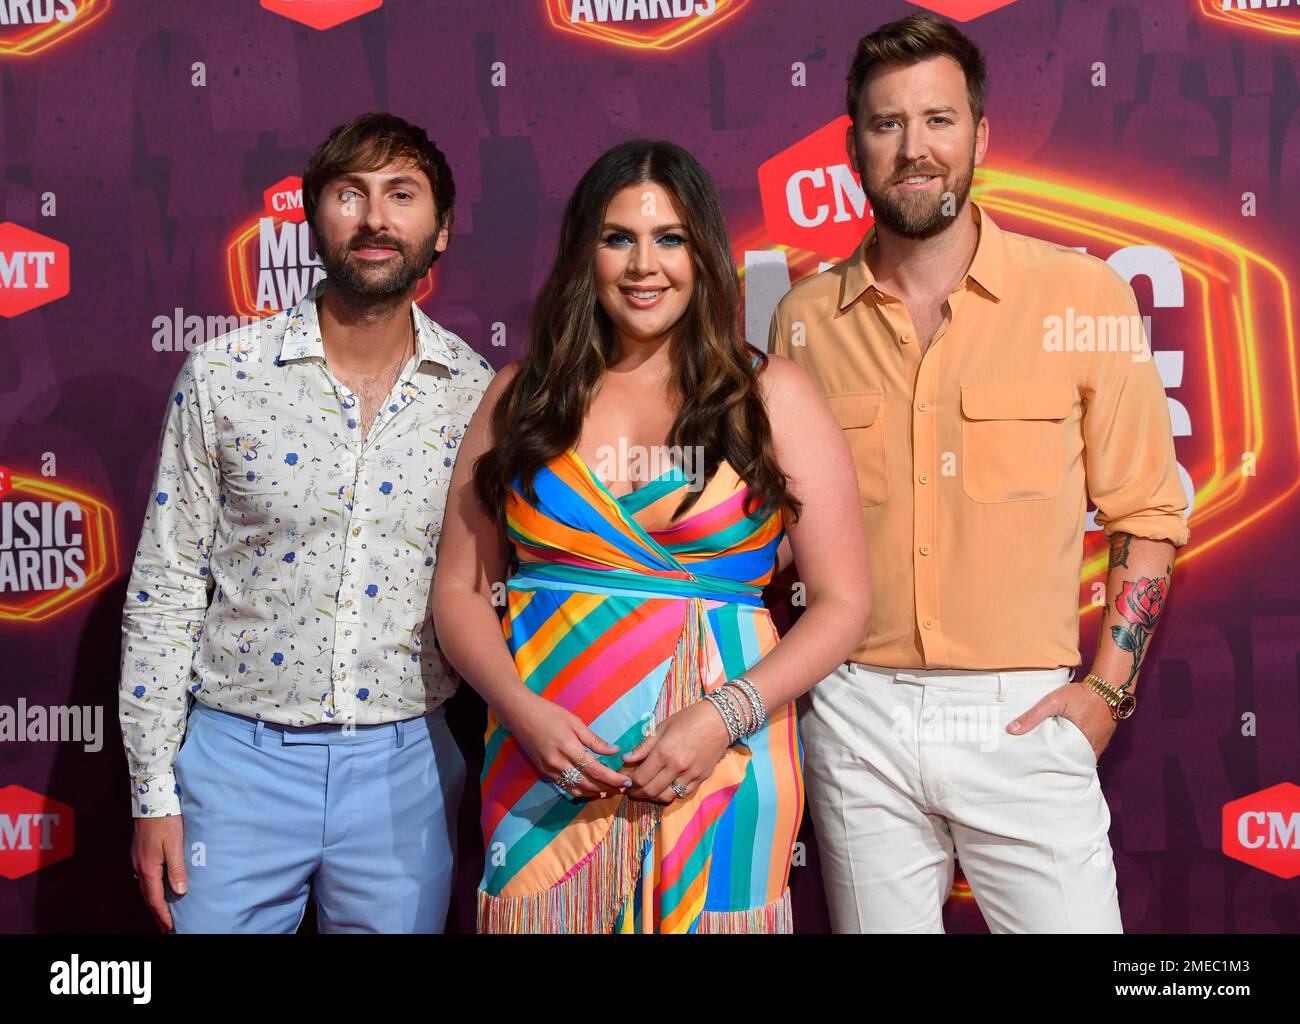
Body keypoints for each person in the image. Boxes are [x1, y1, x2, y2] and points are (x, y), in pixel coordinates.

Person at [769, 12, 1189, 933]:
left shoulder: (1083, 297)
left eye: (938, 120)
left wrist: (1106, 694)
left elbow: (1149, 515)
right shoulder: (803, 320)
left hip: (1025, 713)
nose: (914, 149)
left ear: (981, 137)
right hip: (856, 716)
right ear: (852, 148)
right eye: (887, 125)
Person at [433, 139, 870, 933]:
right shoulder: (518, 398)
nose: (644, 265)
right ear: (584, 254)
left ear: (703, 252)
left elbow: (843, 603)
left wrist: (722, 715)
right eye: (618, 238)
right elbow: (460, 590)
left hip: (724, 766)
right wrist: (520, 711)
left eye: (669, 238)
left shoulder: (770, 395)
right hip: (545, 765)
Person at [119, 111, 493, 933]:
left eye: (402, 195)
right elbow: (167, 587)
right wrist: (153, 791)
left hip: (408, 768)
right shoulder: (223, 375)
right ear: (313, 216)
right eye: (349, 194)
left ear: (441, 230)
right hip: (235, 764)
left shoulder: (477, 393)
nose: (375, 219)